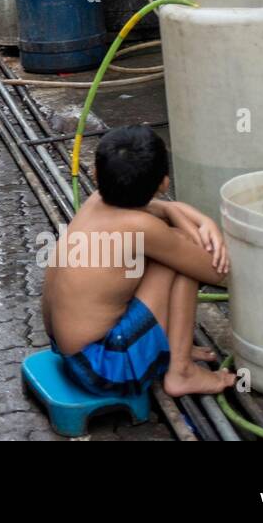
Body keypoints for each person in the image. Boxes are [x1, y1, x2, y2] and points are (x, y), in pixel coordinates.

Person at [41, 125, 234, 399]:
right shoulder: (140, 227)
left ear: (96, 175)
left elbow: (163, 208)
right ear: (165, 184)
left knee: (173, 245)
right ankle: (182, 372)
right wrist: (204, 225)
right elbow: (214, 272)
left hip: (69, 350)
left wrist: (199, 221)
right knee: (178, 258)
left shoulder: (97, 200)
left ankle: (169, 347)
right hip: (101, 368)